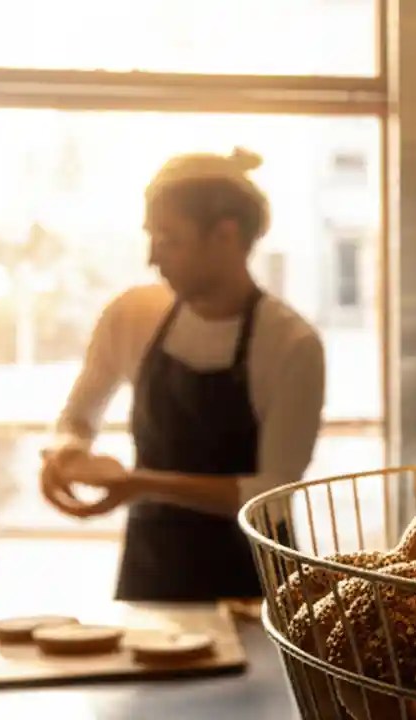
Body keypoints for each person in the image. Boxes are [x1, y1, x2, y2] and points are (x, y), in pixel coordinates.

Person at [38, 147, 326, 602]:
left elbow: (272, 493)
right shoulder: (132, 315)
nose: (153, 257)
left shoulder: (291, 344)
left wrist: (139, 484)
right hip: (151, 576)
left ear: (225, 236)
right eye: (151, 237)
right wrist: (66, 454)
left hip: (252, 590)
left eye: (169, 239)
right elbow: (77, 417)